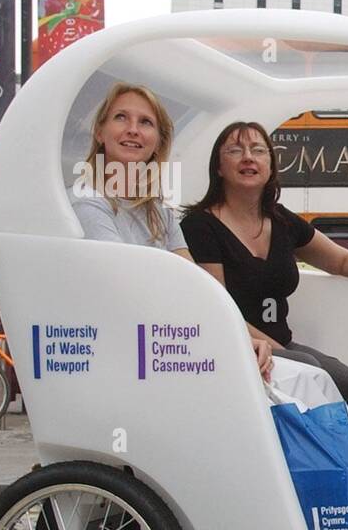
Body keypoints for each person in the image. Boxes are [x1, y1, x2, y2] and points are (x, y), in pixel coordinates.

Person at [181, 121, 348, 455]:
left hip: (282, 345)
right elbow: (217, 306)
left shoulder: (280, 219)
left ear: (271, 164)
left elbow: (339, 260)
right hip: (238, 348)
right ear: (219, 166)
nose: (248, 157)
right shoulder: (201, 225)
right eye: (235, 150)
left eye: (258, 150)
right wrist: (278, 350)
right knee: (320, 381)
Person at [70, 82, 274, 381]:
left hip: (167, 344)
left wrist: (242, 337)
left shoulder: (159, 213)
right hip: (125, 354)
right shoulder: (88, 201)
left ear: (157, 142)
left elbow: (195, 287)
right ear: (99, 133)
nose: (133, 130)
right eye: (121, 118)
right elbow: (123, 285)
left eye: (145, 122)